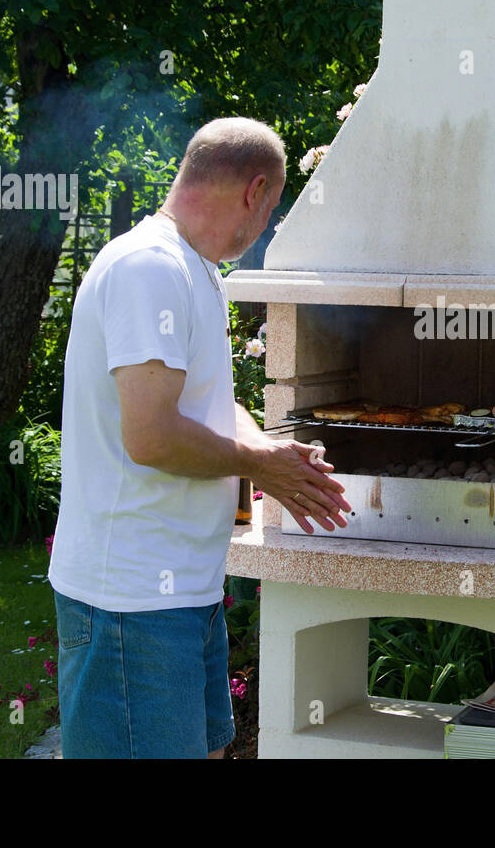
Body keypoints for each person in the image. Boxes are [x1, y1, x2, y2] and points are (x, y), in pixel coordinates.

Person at [48, 116, 350, 758]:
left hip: (184, 590)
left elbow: (211, 402)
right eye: (269, 211)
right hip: (129, 603)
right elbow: (152, 437)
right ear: (255, 189)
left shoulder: (195, 268)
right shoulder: (148, 268)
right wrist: (259, 468)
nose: (263, 228)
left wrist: (268, 452)